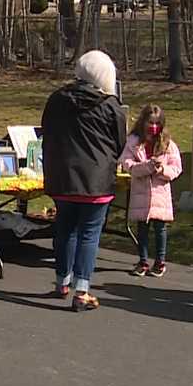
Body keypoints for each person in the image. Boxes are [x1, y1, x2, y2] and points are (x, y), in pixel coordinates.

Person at [41, 50, 127, 312]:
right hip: (96, 180)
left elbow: (45, 129)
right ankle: (82, 291)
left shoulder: (56, 99)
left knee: (65, 229)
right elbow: (120, 142)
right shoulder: (110, 105)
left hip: (62, 176)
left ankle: (61, 282)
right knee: (89, 233)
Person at [119, 104, 183, 278]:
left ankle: (160, 261)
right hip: (141, 191)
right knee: (142, 227)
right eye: (150, 122)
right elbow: (127, 164)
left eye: (157, 123)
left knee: (160, 228)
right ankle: (143, 261)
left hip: (159, 192)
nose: (153, 127)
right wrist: (146, 167)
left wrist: (162, 171)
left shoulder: (167, 144)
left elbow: (176, 168)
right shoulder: (133, 142)